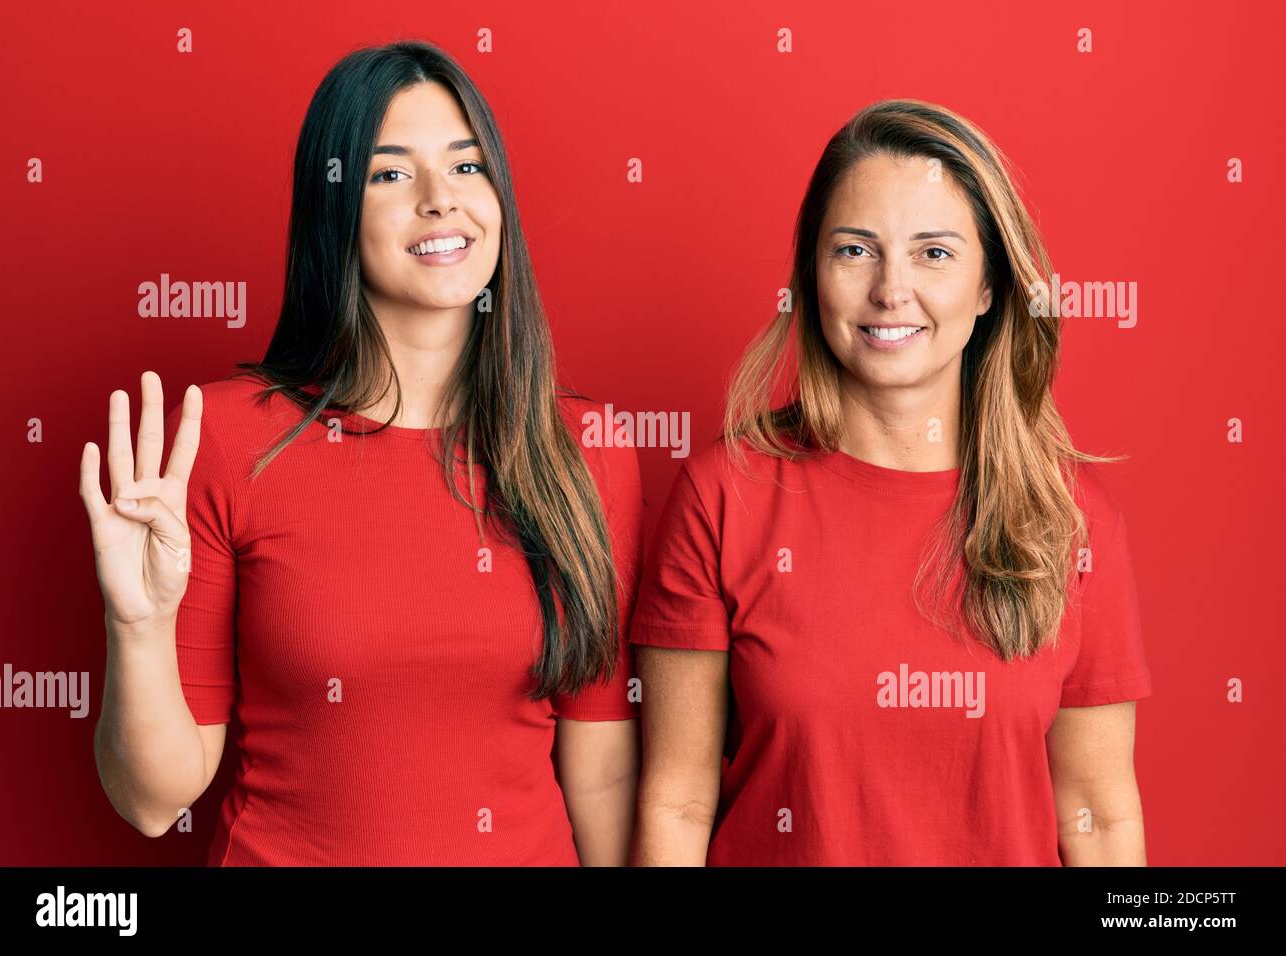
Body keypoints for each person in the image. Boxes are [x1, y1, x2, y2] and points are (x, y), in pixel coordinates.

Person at [83, 40, 641, 865]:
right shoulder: (227, 442)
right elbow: (153, 802)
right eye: (389, 174)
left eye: (465, 167)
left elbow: (598, 771)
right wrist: (136, 626)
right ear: (333, 206)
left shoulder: (587, 454)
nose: (439, 202)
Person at [628, 100, 1153, 866]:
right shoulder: (722, 495)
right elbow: (677, 805)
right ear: (812, 275)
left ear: (988, 289)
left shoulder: (1070, 521)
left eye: (934, 253)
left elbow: (1099, 818)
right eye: (854, 250)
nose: (890, 289)